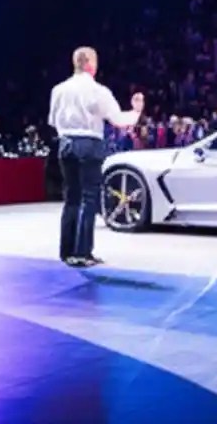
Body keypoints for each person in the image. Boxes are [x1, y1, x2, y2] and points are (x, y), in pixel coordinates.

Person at [48, 46, 144, 268]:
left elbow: (53, 120)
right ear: (90, 63)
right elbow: (118, 120)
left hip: (65, 144)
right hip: (89, 144)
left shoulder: (58, 90)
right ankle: (83, 253)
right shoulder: (98, 90)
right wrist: (136, 111)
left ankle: (67, 251)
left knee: (71, 198)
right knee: (88, 198)